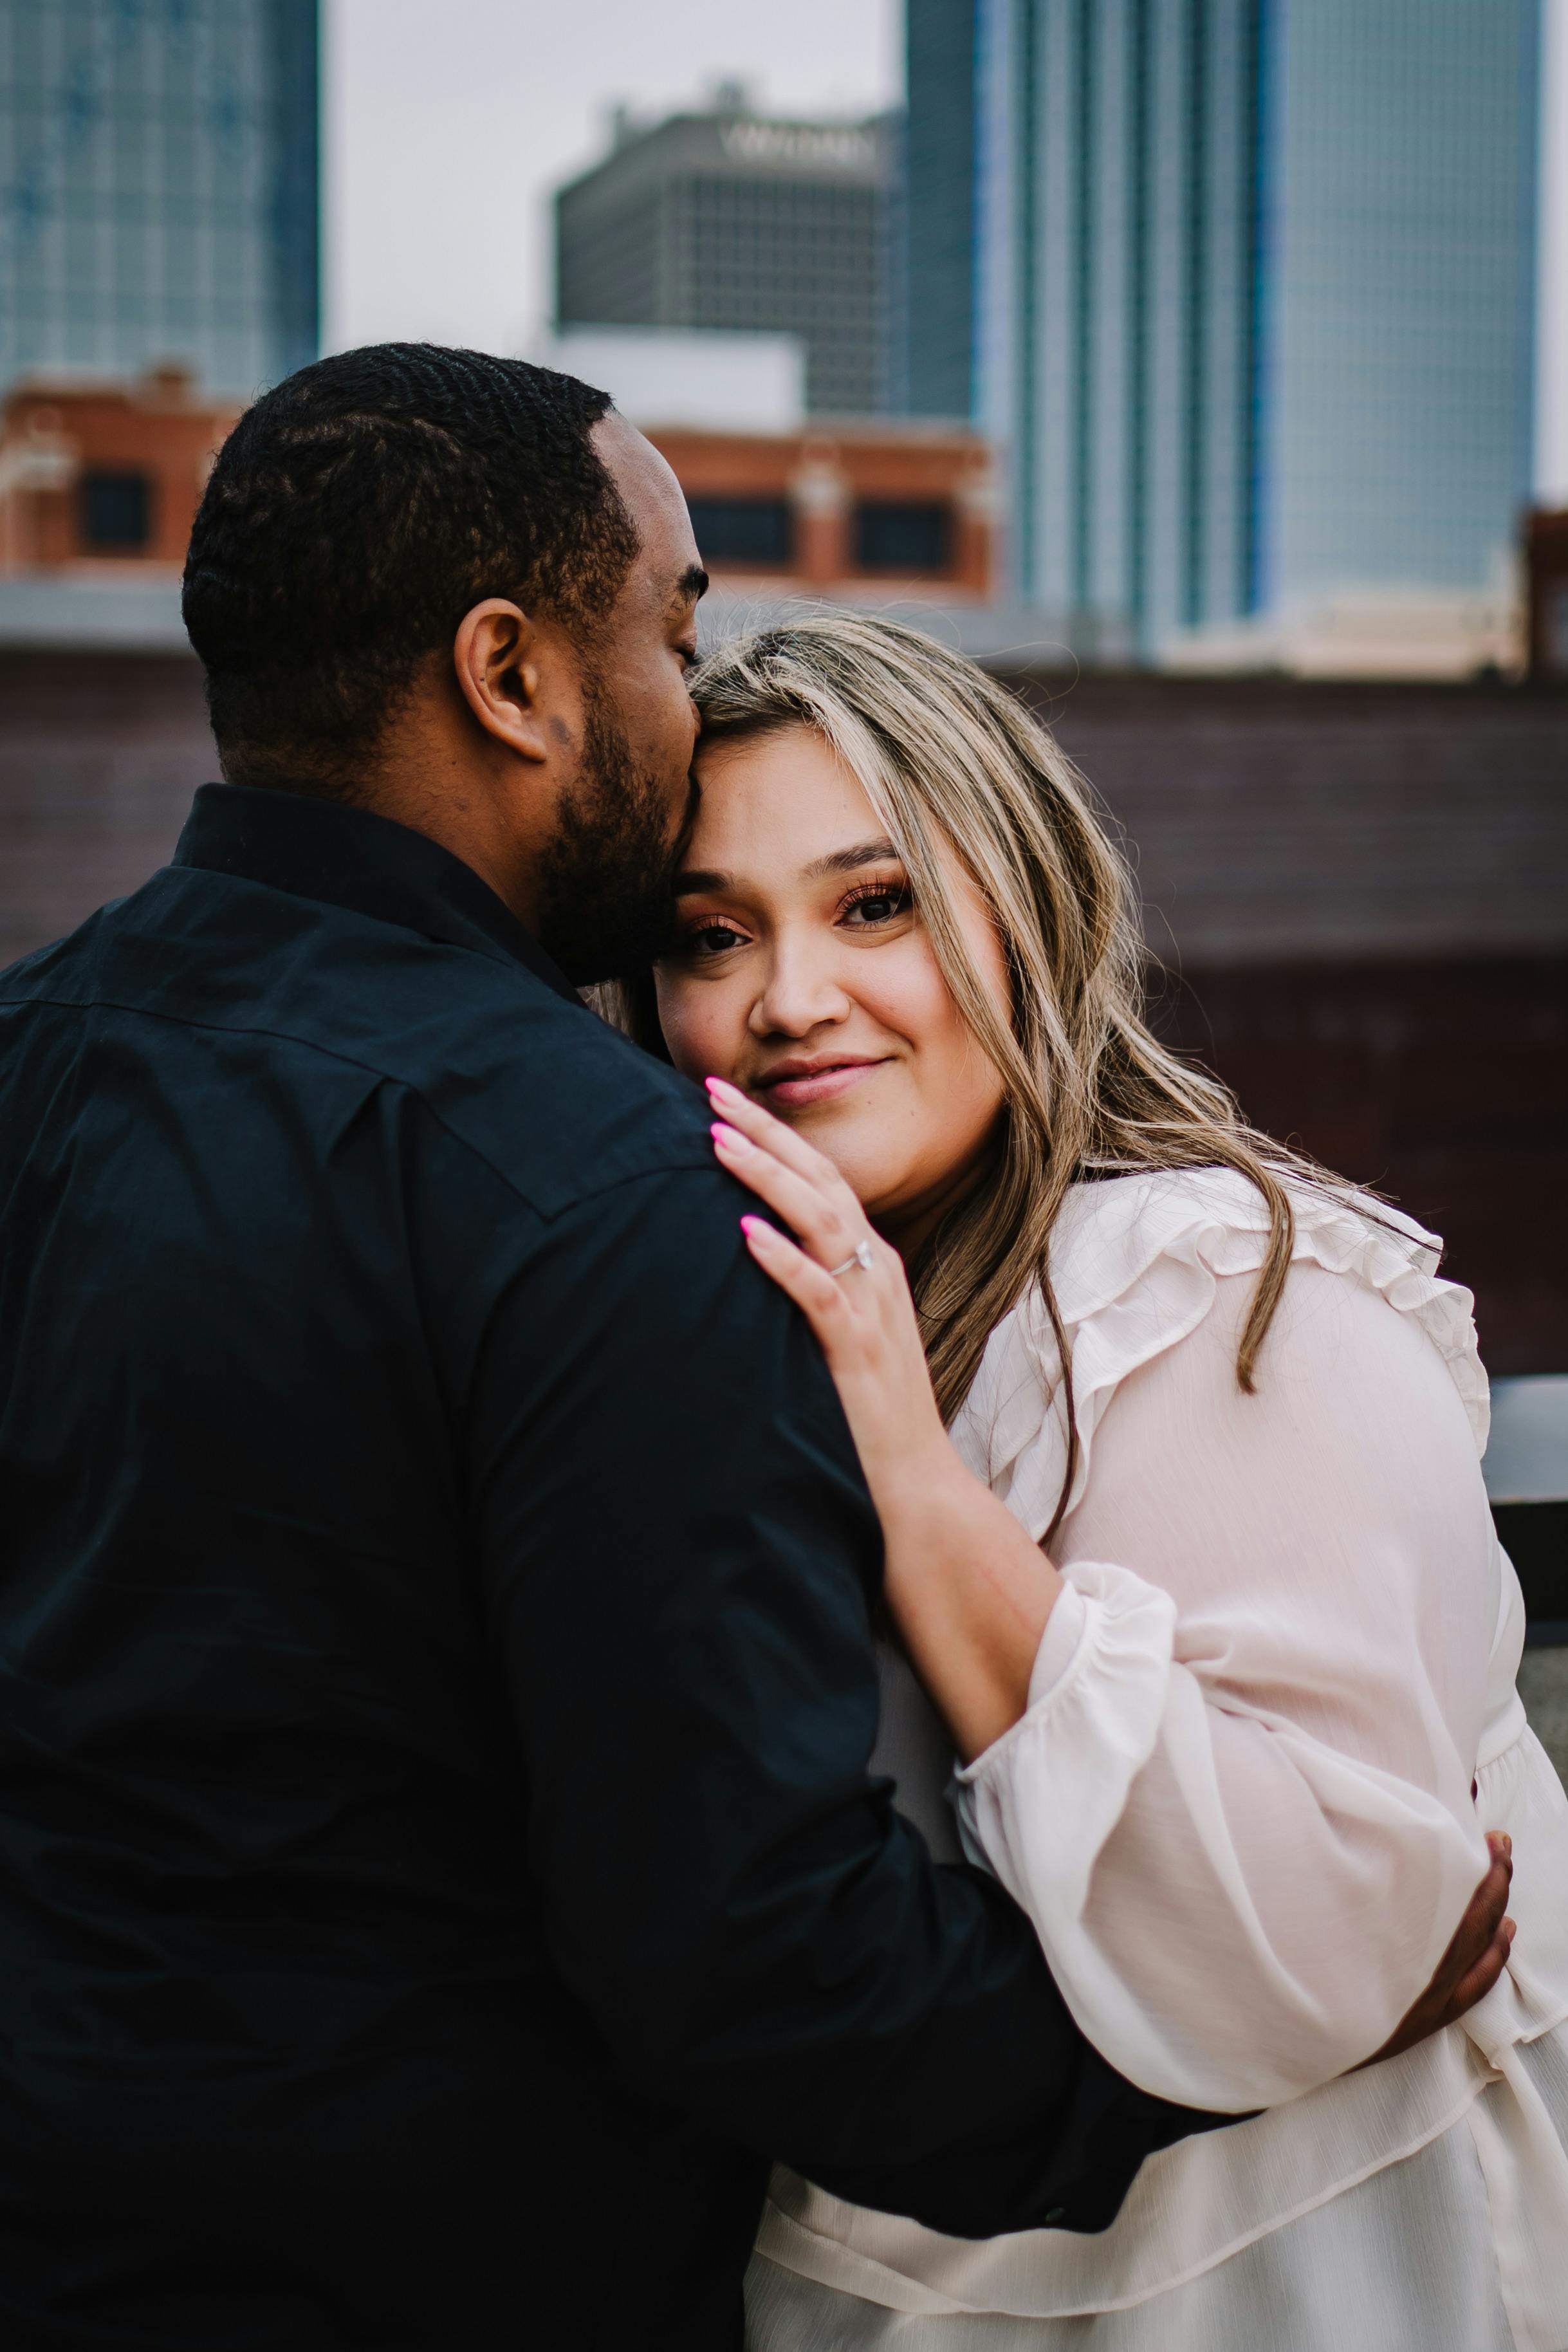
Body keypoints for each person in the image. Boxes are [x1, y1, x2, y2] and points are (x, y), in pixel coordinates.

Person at [0, 349, 1504, 2352]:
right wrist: (1231, 2055)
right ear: (514, 677)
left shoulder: (36, 1057)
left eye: (873, 903)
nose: (789, 998)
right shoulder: (609, 1184)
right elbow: (744, 1948)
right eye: (671, 626)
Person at [613, 610, 1568, 2351]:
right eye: (711, 936)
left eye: (873, 902)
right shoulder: (718, 1323)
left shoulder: (1218, 1286)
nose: (788, 999)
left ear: (1027, 910)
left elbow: (1311, 1940)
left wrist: (911, 1468)